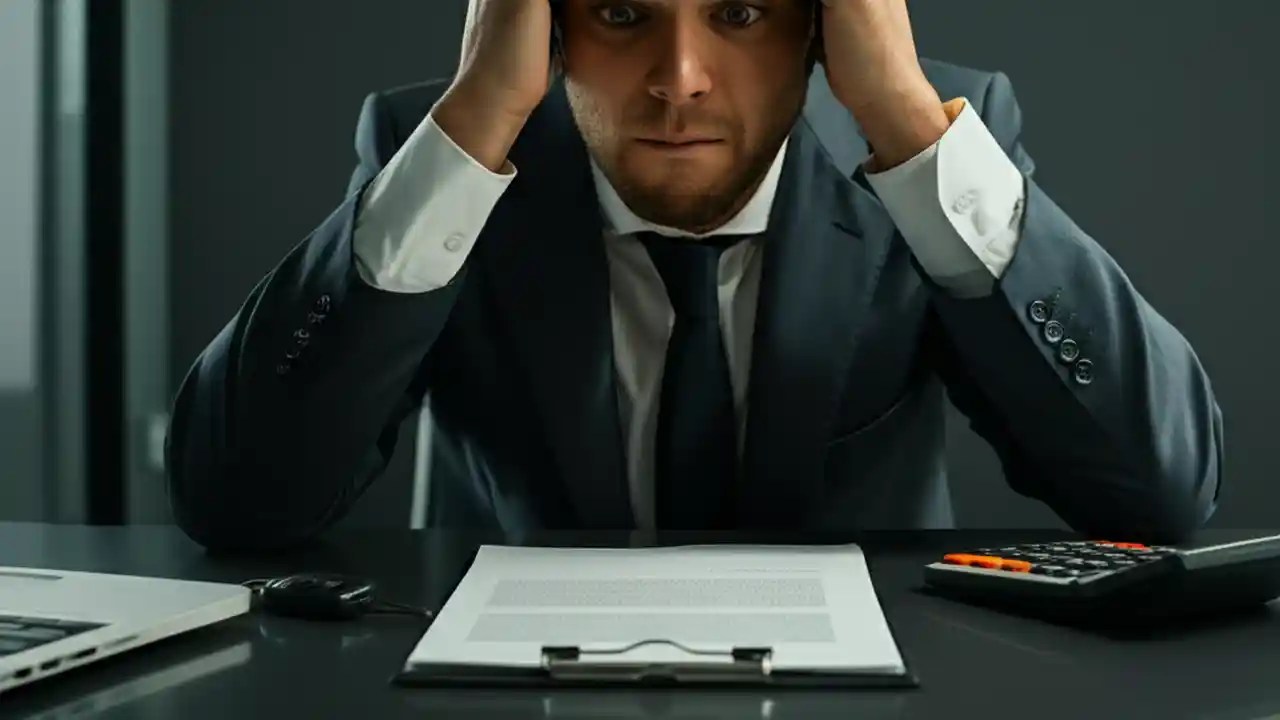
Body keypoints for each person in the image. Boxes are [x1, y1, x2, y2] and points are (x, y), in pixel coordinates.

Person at [166, 0, 1222, 551]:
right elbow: (236, 501)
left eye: (742, 13)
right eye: (621, 14)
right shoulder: (446, 150)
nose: (679, 80)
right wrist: (473, 124)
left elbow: (1159, 489)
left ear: (820, 27)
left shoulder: (930, 146)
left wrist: (901, 119)